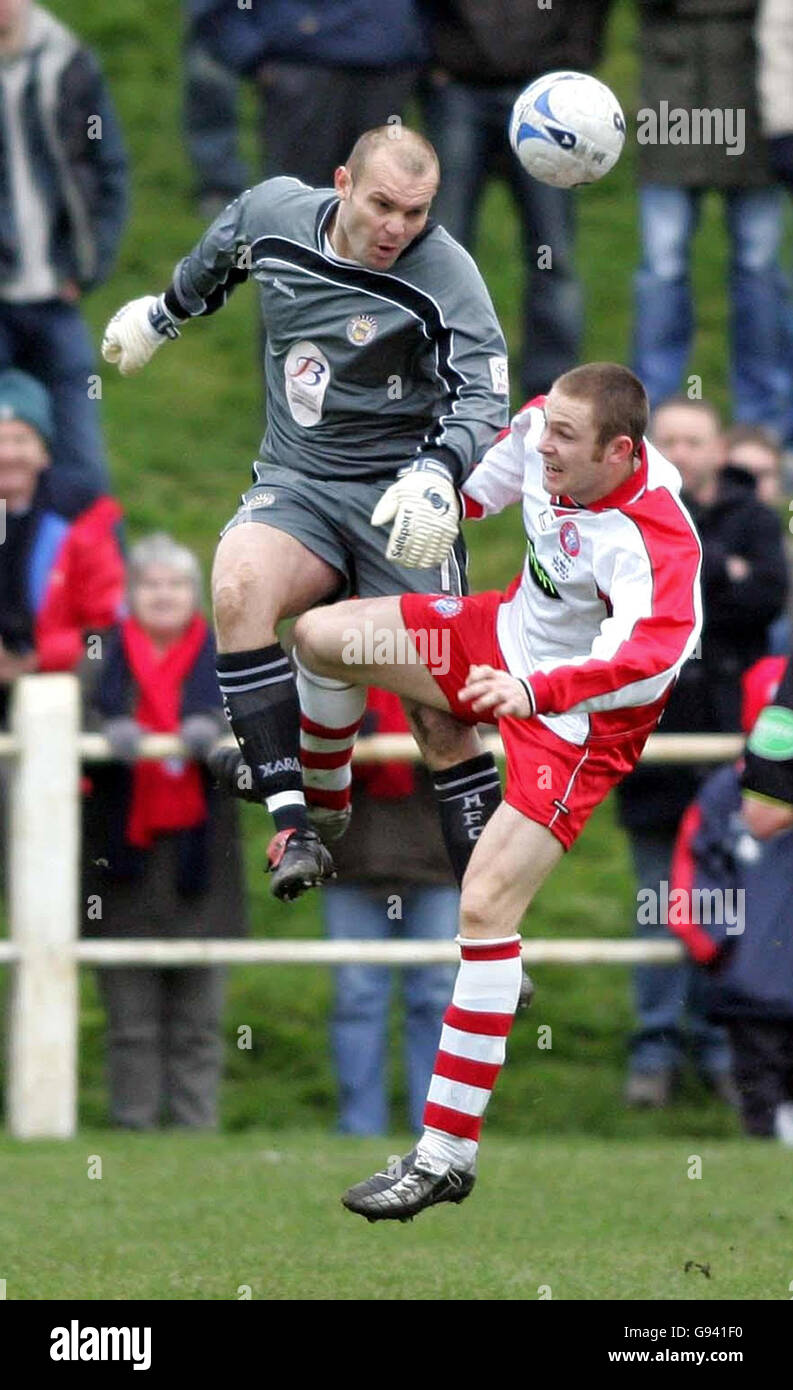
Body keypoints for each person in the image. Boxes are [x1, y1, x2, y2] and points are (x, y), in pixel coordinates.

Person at [293, 361, 703, 1221]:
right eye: (543, 424)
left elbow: (647, 661)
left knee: (481, 908)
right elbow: (480, 488)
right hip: (499, 638)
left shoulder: (655, 537)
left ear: (620, 452)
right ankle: (320, 810)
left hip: (581, 726)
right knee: (324, 636)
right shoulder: (542, 435)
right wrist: (434, 501)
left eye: (562, 436)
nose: (540, 440)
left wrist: (537, 693)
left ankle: (444, 1154)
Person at [99, 125, 511, 908]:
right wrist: (163, 311)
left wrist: (437, 471)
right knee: (237, 587)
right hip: (300, 481)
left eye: (415, 213)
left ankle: (494, 930)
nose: (397, 228)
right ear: (342, 183)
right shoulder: (276, 215)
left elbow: (485, 391)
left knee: (440, 719)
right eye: (383, 204)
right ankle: (295, 828)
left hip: (400, 501)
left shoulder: (442, 271)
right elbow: (222, 252)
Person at [617, 396, 787, 1106]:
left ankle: (726, 1051)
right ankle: (654, 1051)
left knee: (734, 904)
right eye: (669, 441)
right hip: (650, 749)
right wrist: (726, 575)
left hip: (729, 762)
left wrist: (696, 564)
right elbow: (631, 608)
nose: (681, 453)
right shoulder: (628, 516)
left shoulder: (752, 517)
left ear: (718, 450)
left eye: (693, 441)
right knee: (658, 901)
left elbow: (765, 600)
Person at [83, 534, 247, 1130]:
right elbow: (74, 718)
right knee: (130, 1021)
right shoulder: (100, 655)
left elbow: (259, 729)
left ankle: (194, 1131)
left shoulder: (228, 659)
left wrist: (216, 731)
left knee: (200, 1021)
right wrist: (105, 731)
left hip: (203, 862)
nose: (163, 595)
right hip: (119, 859)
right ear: (132, 594)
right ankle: (133, 1128)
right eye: (150, 584)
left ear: (194, 596)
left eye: (176, 584)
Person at [421, 0, 611, 399]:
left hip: (550, 98)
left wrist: (573, 59)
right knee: (441, 253)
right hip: (457, 85)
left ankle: (551, 403)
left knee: (552, 255)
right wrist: (433, 56)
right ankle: (440, 387)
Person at [633, 0, 790, 440]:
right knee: (662, 269)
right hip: (669, 112)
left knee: (758, 268)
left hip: (755, 108)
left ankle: (765, 426)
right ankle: (649, 418)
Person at [0, 0, 128, 516]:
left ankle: (103, 589)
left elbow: (108, 166)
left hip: (55, 296)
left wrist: (87, 264)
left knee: (82, 464)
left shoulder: (67, 60)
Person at [322, 687, 459, 1136]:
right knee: (357, 998)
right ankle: (359, 1128)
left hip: (441, 859)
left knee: (438, 1000)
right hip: (352, 858)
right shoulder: (326, 654)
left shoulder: (443, 650)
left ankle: (437, 1130)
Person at [669, 655, 793, 1142]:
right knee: (762, 1119)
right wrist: (720, 949)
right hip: (754, 991)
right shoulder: (724, 794)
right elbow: (691, 878)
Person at [0, 366, 123, 726]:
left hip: (62, 678)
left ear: (44, 452)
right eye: (0, 440)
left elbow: (103, 623)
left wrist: (39, 659)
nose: (8, 454)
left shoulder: (82, 513)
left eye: (21, 440)